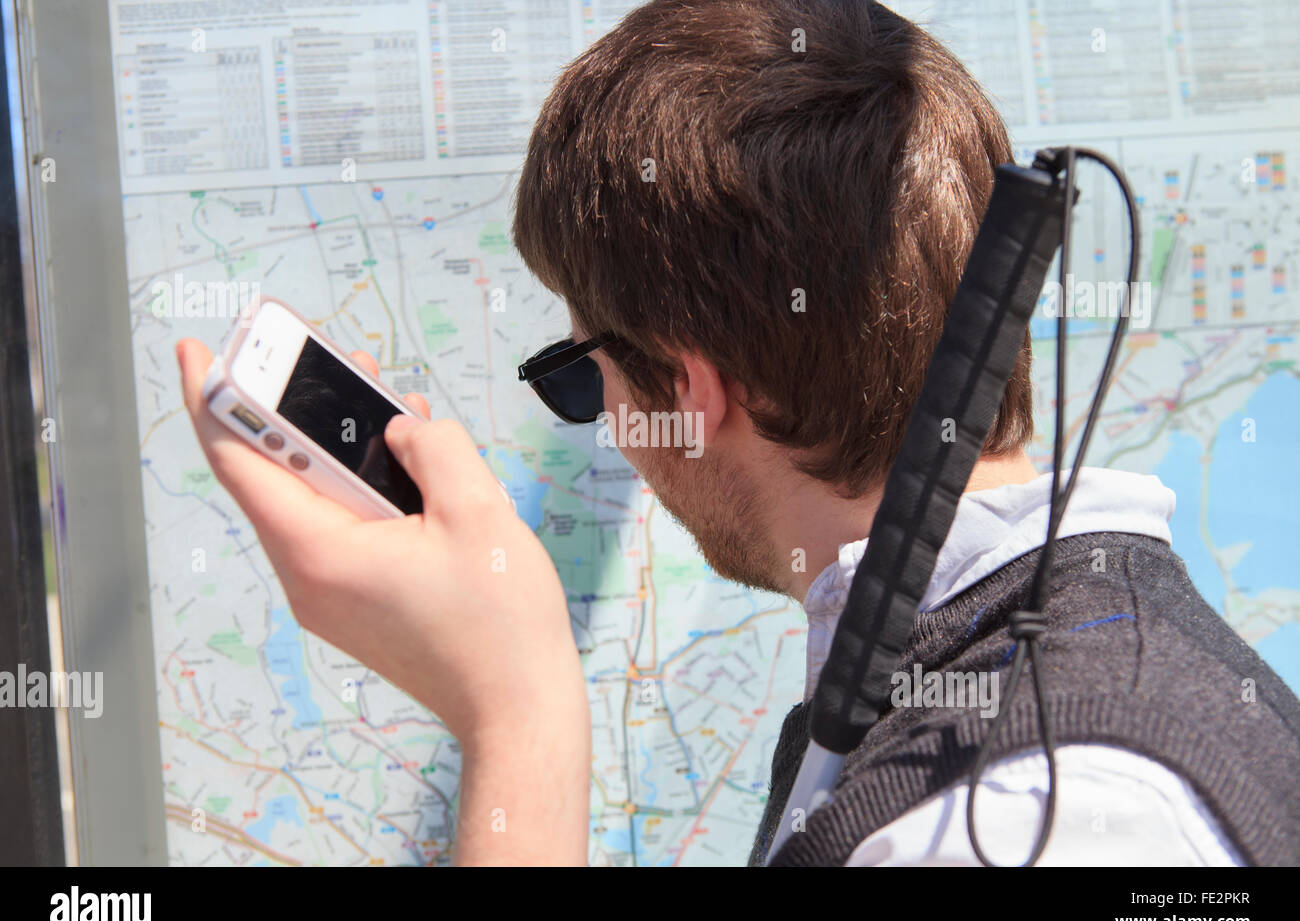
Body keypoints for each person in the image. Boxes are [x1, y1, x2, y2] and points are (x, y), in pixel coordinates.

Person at [177, 0, 1300, 866]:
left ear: (698, 387)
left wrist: (516, 708)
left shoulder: (1022, 823)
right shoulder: (983, 657)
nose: (608, 427)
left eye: (586, 374)